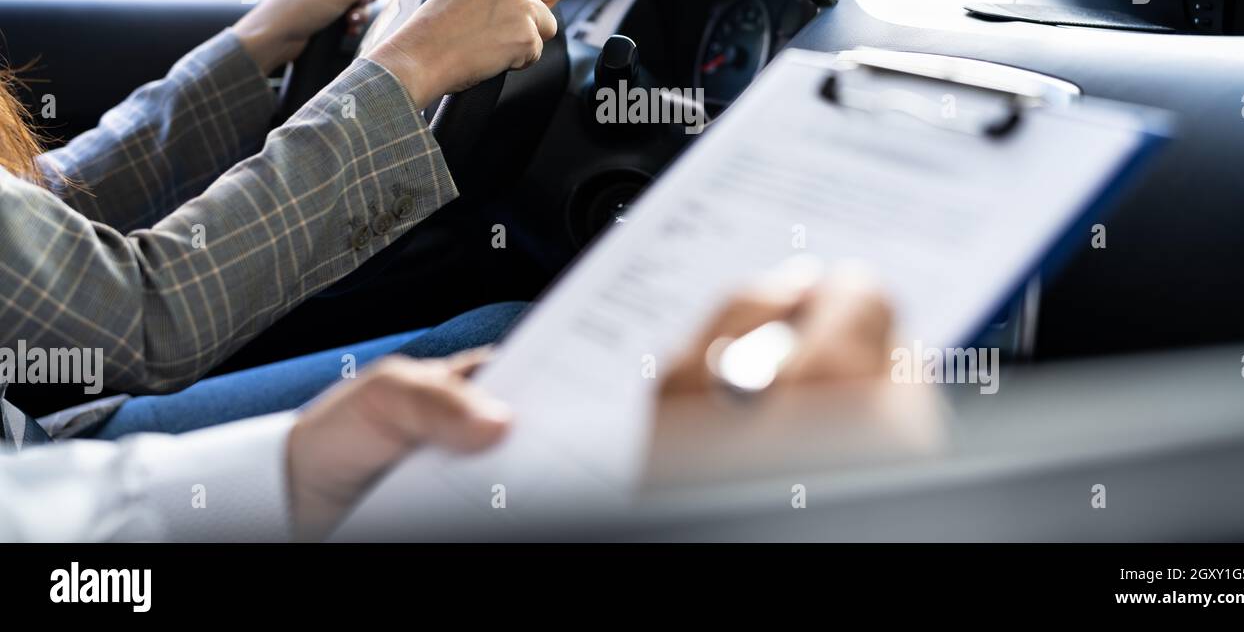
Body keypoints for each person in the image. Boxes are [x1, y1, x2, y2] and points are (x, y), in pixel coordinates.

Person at [0, 0, 569, 447]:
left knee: (508, 345)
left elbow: (42, 205)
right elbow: (146, 317)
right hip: (55, 498)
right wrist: (419, 60)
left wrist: (266, 35)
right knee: (520, 347)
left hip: (38, 449)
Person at [0, 266, 908, 541]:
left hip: (44, 458)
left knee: (497, 349)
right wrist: (406, 72)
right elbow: (134, 308)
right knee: (516, 341)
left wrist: (288, 477)